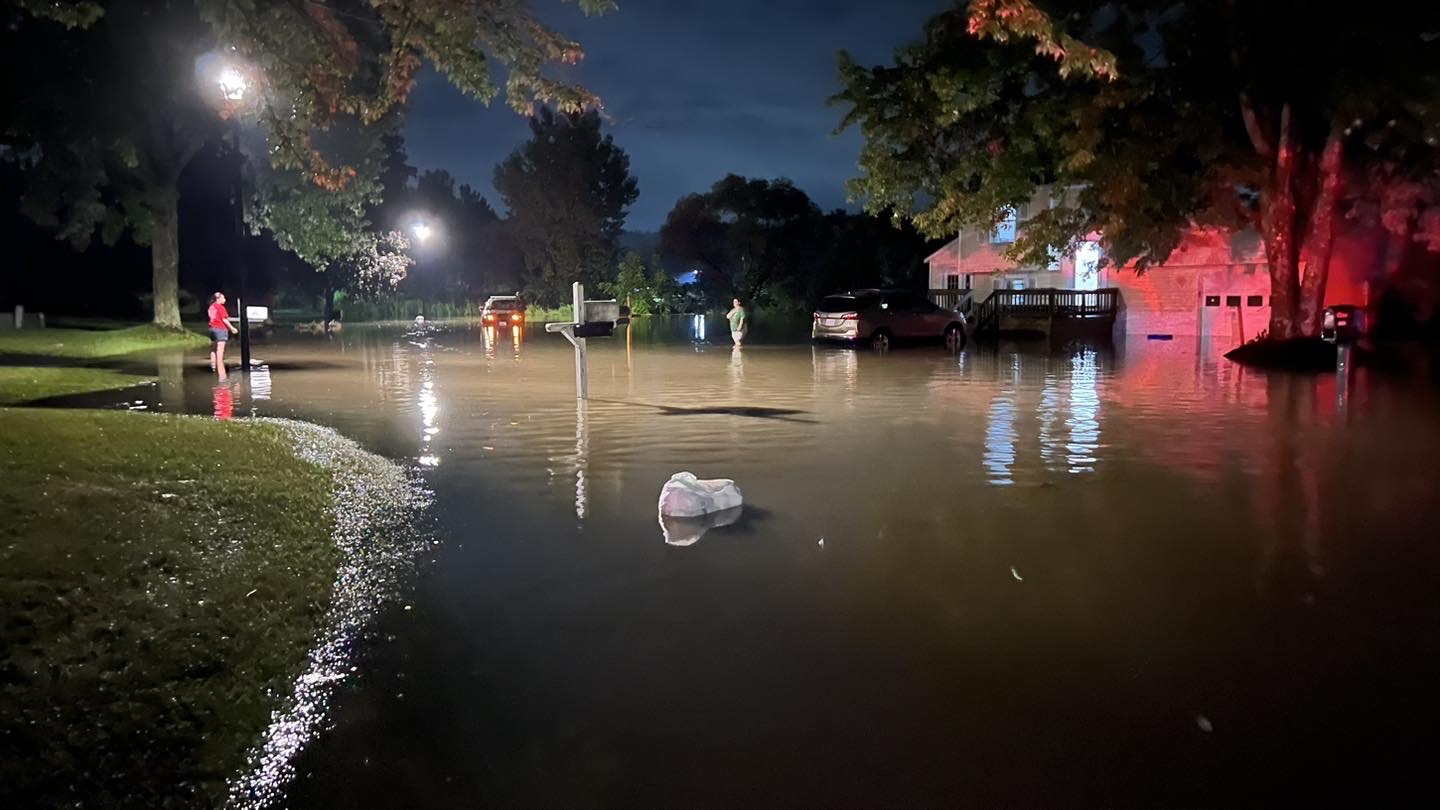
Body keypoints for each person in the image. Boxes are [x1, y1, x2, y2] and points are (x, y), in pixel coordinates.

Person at [207, 292, 239, 376]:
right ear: (218, 299)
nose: (225, 299)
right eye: (223, 298)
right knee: (220, 350)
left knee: (213, 349)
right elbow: (224, 320)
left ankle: (213, 368)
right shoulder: (220, 307)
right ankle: (221, 374)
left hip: (211, 328)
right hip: (220, 329)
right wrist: (232, 329)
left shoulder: (211, 307)